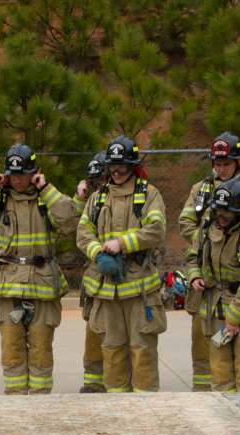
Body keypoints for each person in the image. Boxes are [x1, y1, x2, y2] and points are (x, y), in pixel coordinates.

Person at [0, 144, 78, 395]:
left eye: (23, 174)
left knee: (41, 349)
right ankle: (15, 402)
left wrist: (45, 188)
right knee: (12, 348)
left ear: (34, 172)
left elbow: (69, 217)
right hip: (8, 285)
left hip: (42, 284)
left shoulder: (45, 198)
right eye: (12, 174)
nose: (17, 179)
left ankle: (39, 402)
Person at [178, 132, 240, 392]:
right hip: (209, 292)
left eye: (226, 164)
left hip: (239, 293)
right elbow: (186, 224)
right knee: (207, 349)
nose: (220, 169)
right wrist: (210, 238)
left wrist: (223, 238)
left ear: (238, 163)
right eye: (217, 164)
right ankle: (206, 397)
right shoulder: (202, 190)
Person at [77, 135, 167, 392]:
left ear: (133, 166)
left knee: (142, 350)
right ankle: (117, 408)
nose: (116, 173)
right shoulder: (98, 197)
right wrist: (98, 254)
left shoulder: (149, 194)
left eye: (122, 167)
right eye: (112, 167)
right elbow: (83, 233)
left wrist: (122, 243)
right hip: (107, 290)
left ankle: (144, 408)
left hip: (139, 289)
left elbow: (157, 229)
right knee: (112, 350)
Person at [75, 152, 107, 393]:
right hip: (96, 278)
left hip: (125, 277)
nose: (99, 187)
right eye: (95, 183)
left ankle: (118, 379)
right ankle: (93, 382)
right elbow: (75, 228)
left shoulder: (136, 198)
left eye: (101, 181)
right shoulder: (93, 200)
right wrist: (79, 198)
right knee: (94, 333)